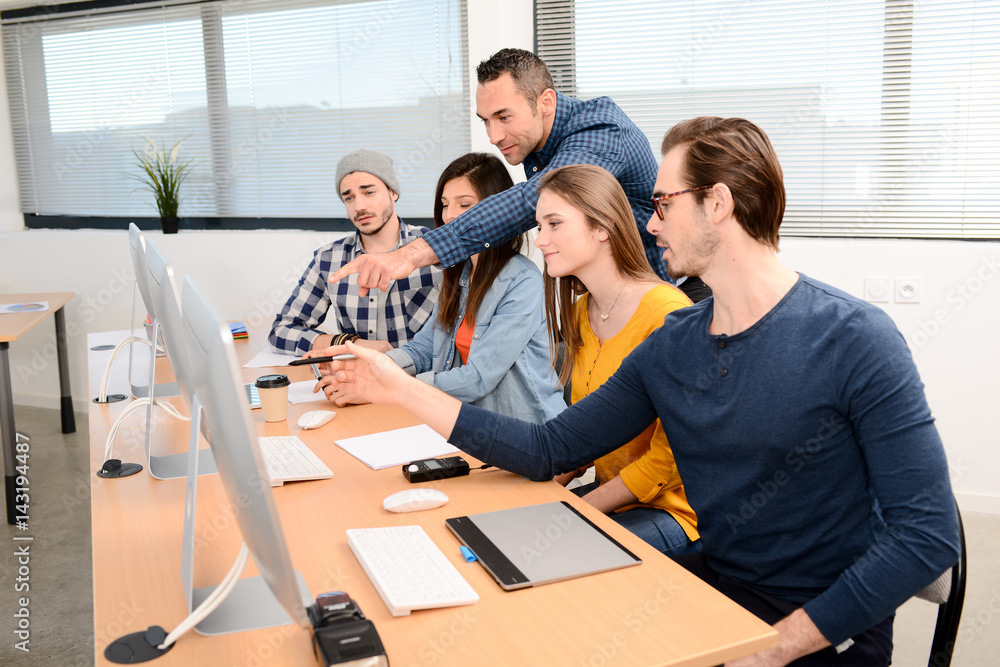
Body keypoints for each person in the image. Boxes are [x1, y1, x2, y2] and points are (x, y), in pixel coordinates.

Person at [323, 117, 960, 666]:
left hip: (819, 628)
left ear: (717, 204)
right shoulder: (676, 342)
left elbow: (927, 538)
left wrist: (774, 648)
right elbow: (550, 449)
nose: (650, 225)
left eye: (662, 204)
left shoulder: (854, 338)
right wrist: (399, 388)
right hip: (721, 593)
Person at [327, 48, 707, 299]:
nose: (494, 136)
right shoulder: (537, 142)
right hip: (616, 293)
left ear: (546, 101)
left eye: (504, 117)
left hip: (670, 291)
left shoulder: (600, 131)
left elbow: (533, 198)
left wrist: (411, 255)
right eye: (486, 120)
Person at [310, 153, 564, 423]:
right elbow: (422, 349)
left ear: (496, 213)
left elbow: (477, 379)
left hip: (529, 431)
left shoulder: (522, 280)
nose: (450, 215)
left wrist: (383, 387)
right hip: (471, 422)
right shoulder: (460, 273)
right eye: (444, 204)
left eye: (464, 204)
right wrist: (365, 370)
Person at [534, 164, 699, 555]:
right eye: (540, 226)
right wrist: (538, 490)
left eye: (554, 224)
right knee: (513, 530)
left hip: (674, 511)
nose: (540, 240)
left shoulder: (666, 313)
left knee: (554, 553)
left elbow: (669, 458)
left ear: (603, 226)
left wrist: (580, 508)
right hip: (615, 498)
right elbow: (587, 433)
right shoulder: (580, 312)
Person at [268, 149, 441, 355]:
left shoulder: (434, 247)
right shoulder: (329, 259)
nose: (359, 206)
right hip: (358, 374)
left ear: (393, 192)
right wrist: (348, 343)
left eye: (369, 192)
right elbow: (281, 331)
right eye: (349, 198)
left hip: (425, 373)